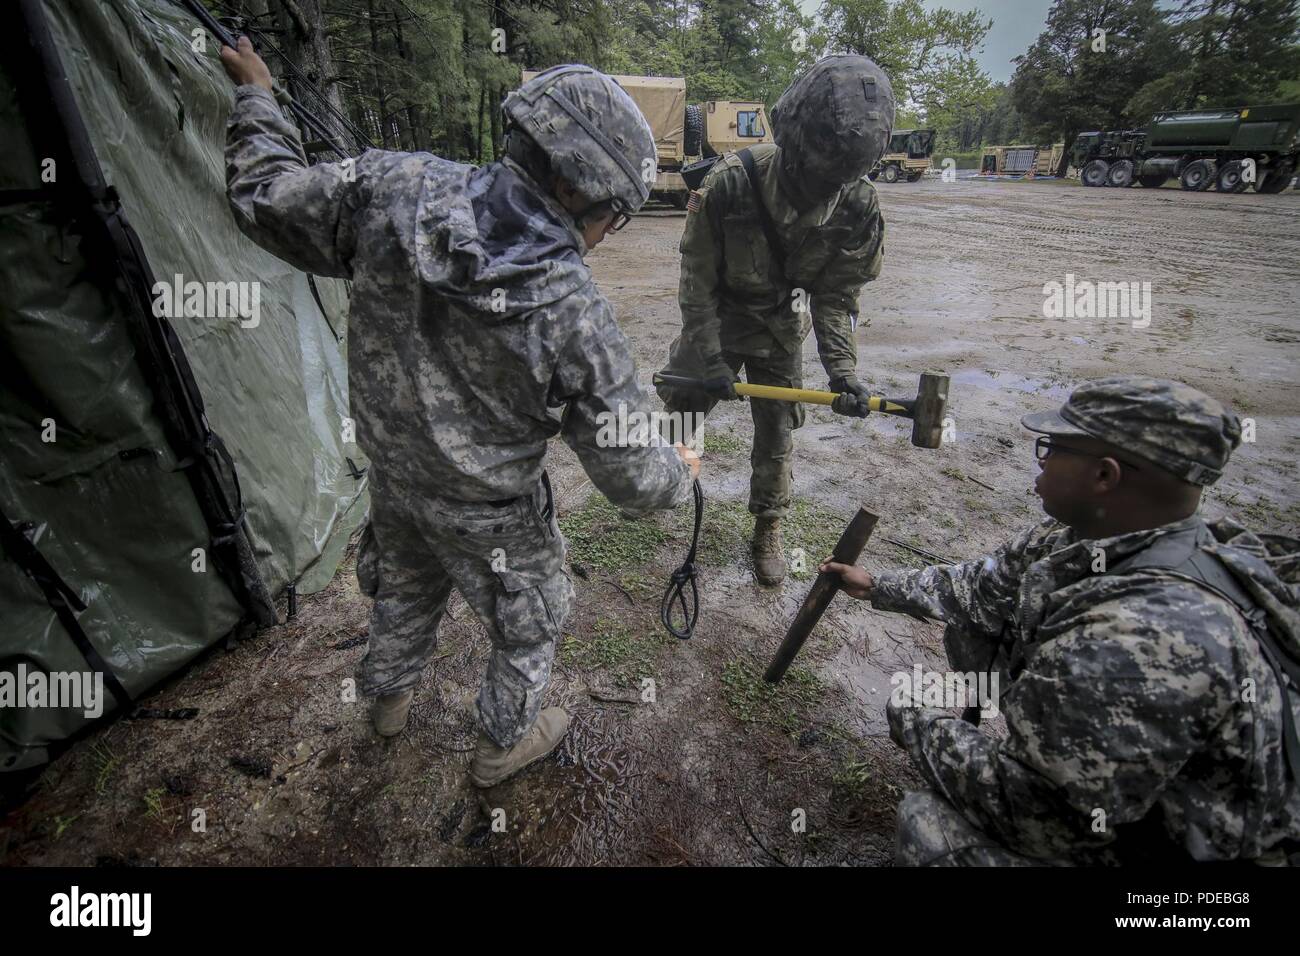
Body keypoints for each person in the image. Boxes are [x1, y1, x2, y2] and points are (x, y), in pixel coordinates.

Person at [220, 42, 699, 787]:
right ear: (577, 191)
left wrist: (257, 95)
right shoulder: (577, 318)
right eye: (614, 215)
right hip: (490, 514)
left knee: (407, 591)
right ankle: (502, 745)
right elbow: (637, 483)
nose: (606, 236)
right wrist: (682, 470)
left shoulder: (390, 184)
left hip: (397, 479)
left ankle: (385, 706)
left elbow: (263, 196)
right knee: (531, 617)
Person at [822, 377, 1300, 865]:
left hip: (1194, 850)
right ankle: (1054, 744)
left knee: (930, 829)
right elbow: (980, 589)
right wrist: (876, 585)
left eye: (1053, 447)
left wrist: (919, 724)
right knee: (975, 629)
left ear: (1104, 476)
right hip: (1146, 788)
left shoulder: (1139, 636)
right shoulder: (1097, 534)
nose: (1043, 459)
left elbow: (1035, 814)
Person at [655, 55, 893, 586]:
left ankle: (768, 525)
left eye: (836, 181)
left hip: (780, 329)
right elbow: (696, 287)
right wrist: (712, 361)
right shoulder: (728, 186)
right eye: (815, 176)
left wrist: (842, 371)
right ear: (792, 143)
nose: (822, 193)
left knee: (777, 433)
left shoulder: (858, 206)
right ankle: (662, 481)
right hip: (715, 319)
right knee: (682, 408)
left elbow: (836, 297)